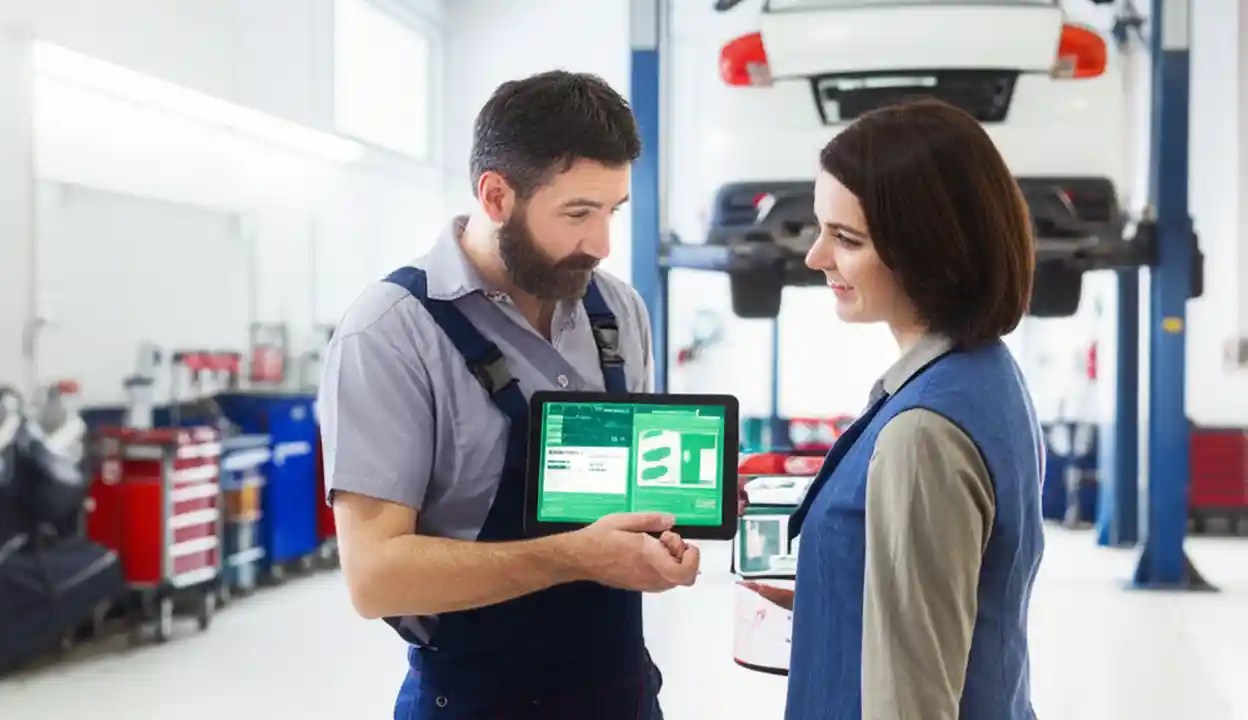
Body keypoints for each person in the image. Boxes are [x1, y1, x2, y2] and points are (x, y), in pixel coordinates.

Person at [318, 70, 700, 719]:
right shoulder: (390, 334)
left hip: (621, 693)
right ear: (496, 196)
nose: (602, 244)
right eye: (578, 213)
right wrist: (576, 556)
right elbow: (375, 578)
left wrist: (676, 519)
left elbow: (627, 504)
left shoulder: (618, 311)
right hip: (474, 701)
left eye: (613, 211)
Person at [740, 97, 1045, 719]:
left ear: (930, 248)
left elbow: (914, 698)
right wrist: (829, 591)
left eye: (845, 238)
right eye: (821, 229)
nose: (815, 257)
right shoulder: (980, 373)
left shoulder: (922, 432)